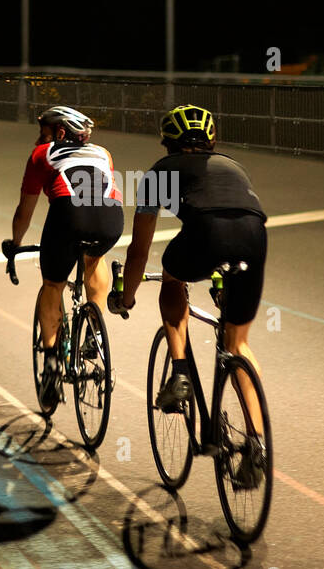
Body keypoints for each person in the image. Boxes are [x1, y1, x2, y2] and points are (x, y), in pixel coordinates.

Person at [111, 104, 269, 488]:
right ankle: (257, 443)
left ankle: (179, 372)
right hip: (254, 236)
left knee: (171, 278)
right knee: (238, 342)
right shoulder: (232, 166)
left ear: (168, 144)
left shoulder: (161, 172)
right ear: (213, 141)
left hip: (204, 236)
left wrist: (127, 297)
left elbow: (138, 251)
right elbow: (231, 216)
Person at [4, 106, 123, 415]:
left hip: (69, 216)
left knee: (53, 284)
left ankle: (52, 368)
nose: (37, 138)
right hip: (112, 219)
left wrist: (14, 245)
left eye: (43, 131)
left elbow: (24, 212)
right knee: (94, 259)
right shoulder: (103, 152)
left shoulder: (42, 154)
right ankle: (94, 330)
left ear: (58, 133)